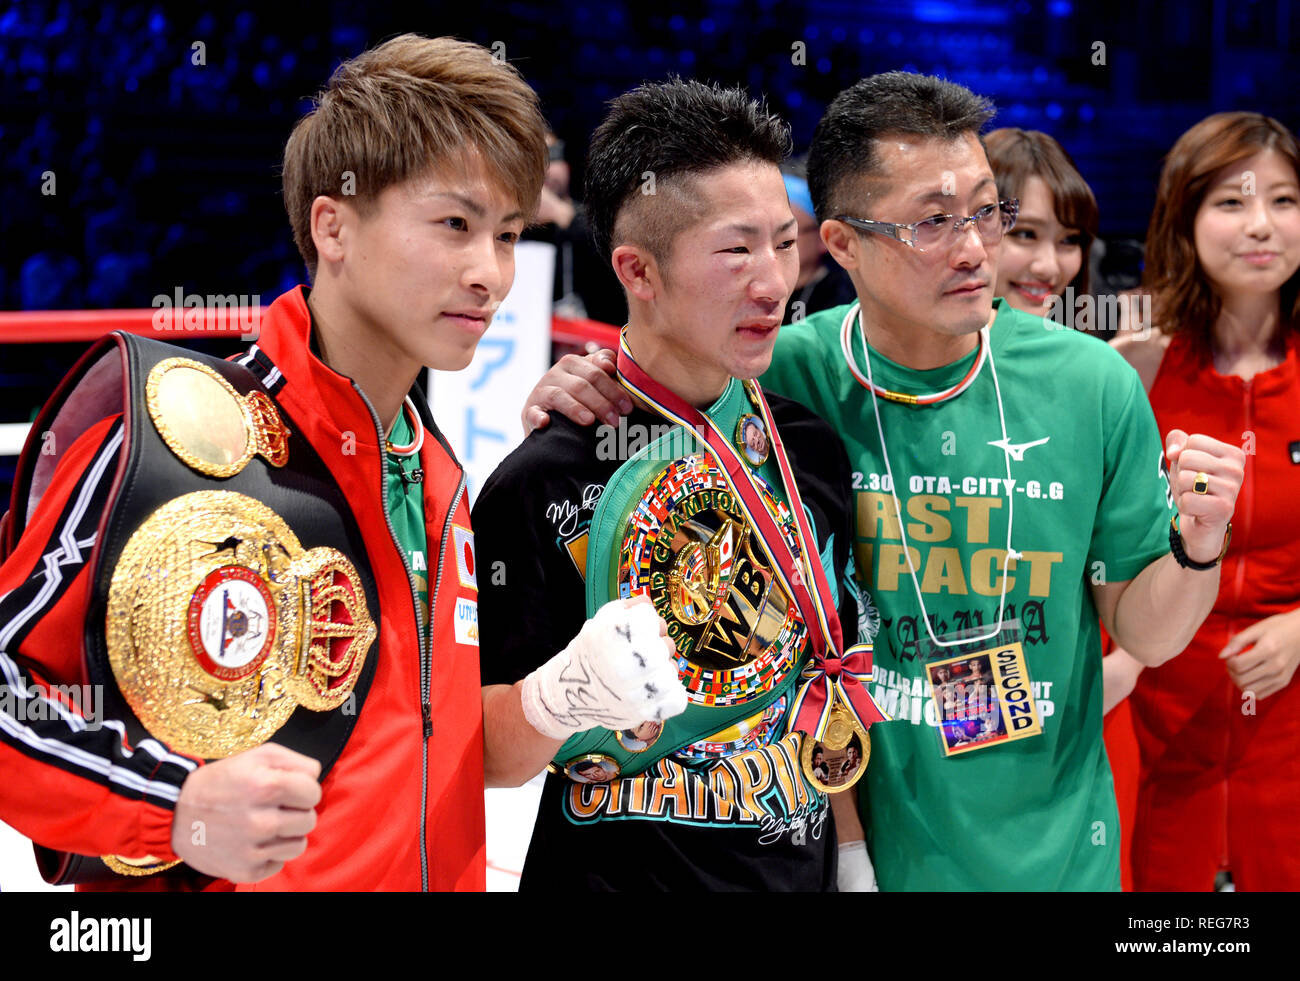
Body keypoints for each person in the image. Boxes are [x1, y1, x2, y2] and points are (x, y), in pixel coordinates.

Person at [522, 71, 1246, 891]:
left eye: (984, 209)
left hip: (1058, 861)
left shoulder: (1092, 383)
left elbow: (1147, 636)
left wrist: (1197, 545)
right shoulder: (784, 374)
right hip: (850, 855)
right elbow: (658, 378)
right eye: (934, 221)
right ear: (842, 244)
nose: (976, 248)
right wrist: (582, 388)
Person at [0, 33, 627, 892]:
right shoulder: (173, 435)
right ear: (332, 225)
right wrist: (172, 802)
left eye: (509, 234)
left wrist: (567, 695)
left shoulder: (437, 474)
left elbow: (425, 754)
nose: (490, 273)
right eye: (455, 224)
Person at [476, 77, 881, 891]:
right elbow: (483, 756)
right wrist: (561, 698)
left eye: (782, 241)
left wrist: (849, 854)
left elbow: (826, 676)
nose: (773, 281)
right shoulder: (540, 480)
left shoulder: (808, 447)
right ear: (638, 270)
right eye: (736, 250)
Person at [1110, 111, 1300, 891]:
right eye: (1230, 202)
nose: (1261, 224)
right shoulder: (1133, 369)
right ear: (1184, 218)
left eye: (1284, 200)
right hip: (1158, 716)